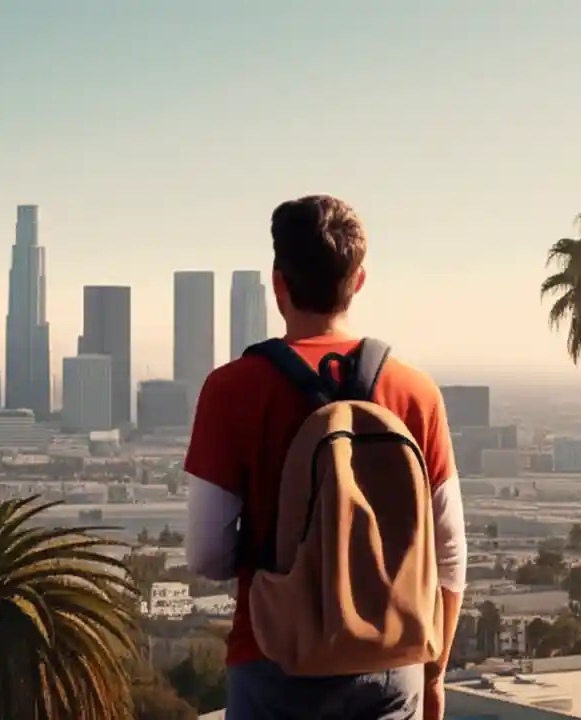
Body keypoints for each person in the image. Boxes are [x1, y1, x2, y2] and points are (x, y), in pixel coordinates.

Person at [184, 194, 467, 719]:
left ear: (277, 282)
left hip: (272, 659)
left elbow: (207, 555)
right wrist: (434, 673)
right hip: (390, 664)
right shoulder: (415, 391)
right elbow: (449, 556)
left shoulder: (233, 390)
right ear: (358, 281)